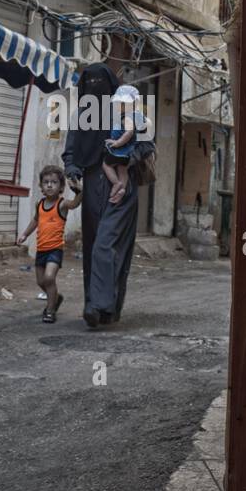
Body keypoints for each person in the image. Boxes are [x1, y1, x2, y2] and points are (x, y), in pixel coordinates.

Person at [62, 62, 147, 328]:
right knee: (93, 247)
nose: (94, 90)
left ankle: (101, 305)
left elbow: (146, 144)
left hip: (121, 187)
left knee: (108, 246)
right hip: (91, 187)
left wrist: (128, 162)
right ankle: (97, 307)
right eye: (90, 85)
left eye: (100, 85)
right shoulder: (81, 115)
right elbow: (72, 149)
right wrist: (72, 168)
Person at [16, 165, 81, 323]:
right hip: (42, 250)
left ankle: (50, 310)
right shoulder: (40, 204)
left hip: (55, 250)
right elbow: (35, 221)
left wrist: (79, 191)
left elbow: (75, 204)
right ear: (41, 186)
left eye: (54, 182)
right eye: (46, 182)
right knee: (41, 282)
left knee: (49, 277)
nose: (50, 185)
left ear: (61, 187)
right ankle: (55, 297)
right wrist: (24, 234)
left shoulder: (62, 204)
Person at [101, 85, 144, 204]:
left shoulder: (128, 117)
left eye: (123, 103)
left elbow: (129, 132)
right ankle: (122, 190)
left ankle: (116, 183)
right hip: (127, 154)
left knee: (106, 165)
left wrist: (117, 143)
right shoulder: (135, 115)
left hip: (120, 151)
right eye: (120, 103)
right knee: (122, 170)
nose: (120, 106)